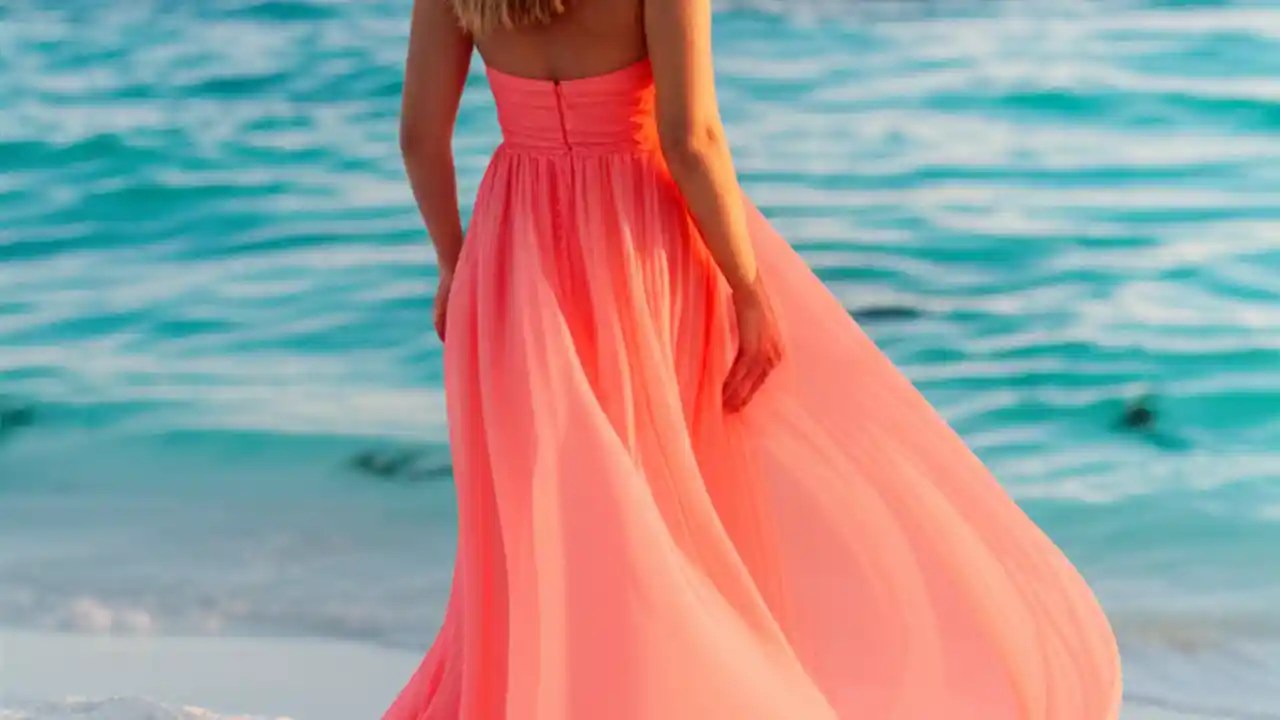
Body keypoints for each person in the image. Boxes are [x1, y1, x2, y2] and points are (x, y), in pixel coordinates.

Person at [386, 0, 1122, 717]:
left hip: (512, 256)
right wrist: (747, 285)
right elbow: (691, 138)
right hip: (638, 254)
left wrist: (458, 262)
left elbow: (421, 134)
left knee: (545, 524)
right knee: (664, 511)